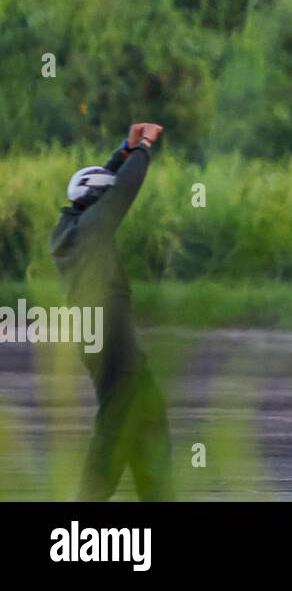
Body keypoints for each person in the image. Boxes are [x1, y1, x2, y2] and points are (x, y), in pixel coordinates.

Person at [50, 122, 174, 501]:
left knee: (147, 411)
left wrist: (123, 151)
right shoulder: (91, 232)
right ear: (95, 204)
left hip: (98, 334)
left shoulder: (67, 227)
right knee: (117, 418)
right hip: (108, 334)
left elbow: (102, 186)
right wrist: (143, 150)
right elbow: (120, 192)